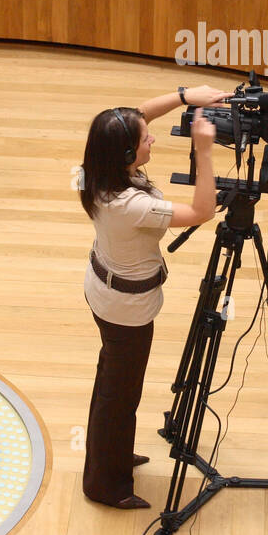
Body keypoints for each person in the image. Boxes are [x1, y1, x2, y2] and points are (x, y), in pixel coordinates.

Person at [79, 83, 229, 510]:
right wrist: (204, 150)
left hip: (104, 290)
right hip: (125, 309)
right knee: (120, 396)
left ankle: (110, 456)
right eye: (146, 140)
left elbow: (135, 115)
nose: (153, 138)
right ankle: (106, 486)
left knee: (112, 383)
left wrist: (185, 96)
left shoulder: (97, 165)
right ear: (126, 153)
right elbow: (201, 211)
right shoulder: (129, 205)